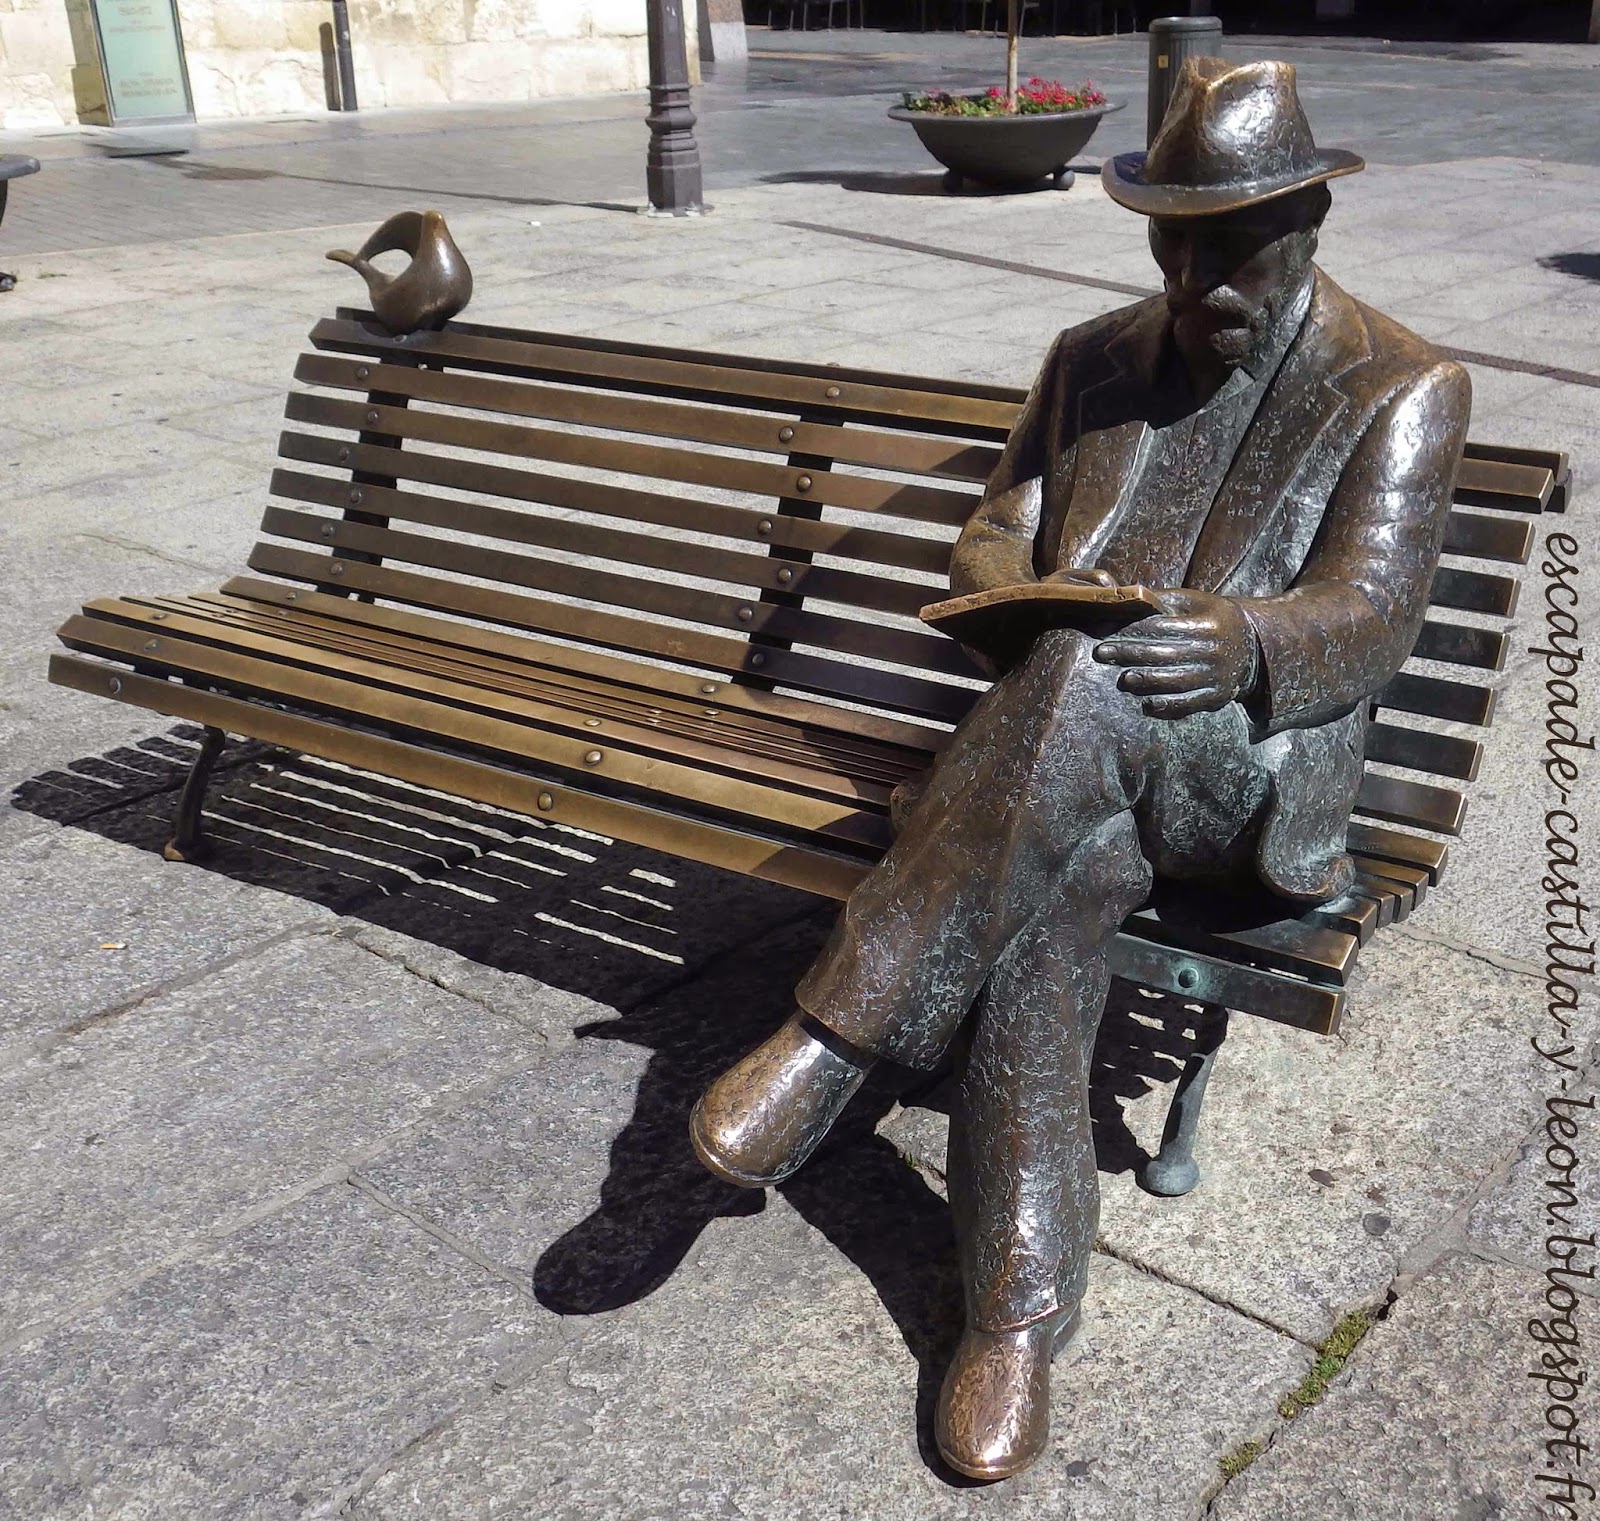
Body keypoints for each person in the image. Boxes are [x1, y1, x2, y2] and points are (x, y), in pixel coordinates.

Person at [690, 57, 1472, 1481]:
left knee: (1074, 688)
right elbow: (1000, 528)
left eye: (1230, 243)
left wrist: (1239, 639)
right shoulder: (1090, 358)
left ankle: (836, 1038)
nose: (1197, 276)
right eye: (1174, 242)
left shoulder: (1405, 385)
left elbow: (1376, 613)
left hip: (1242, 772)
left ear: (1306, 224)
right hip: (1063, 789)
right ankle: (1014, 1316)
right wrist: (1022, 577)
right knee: (1052, 884)